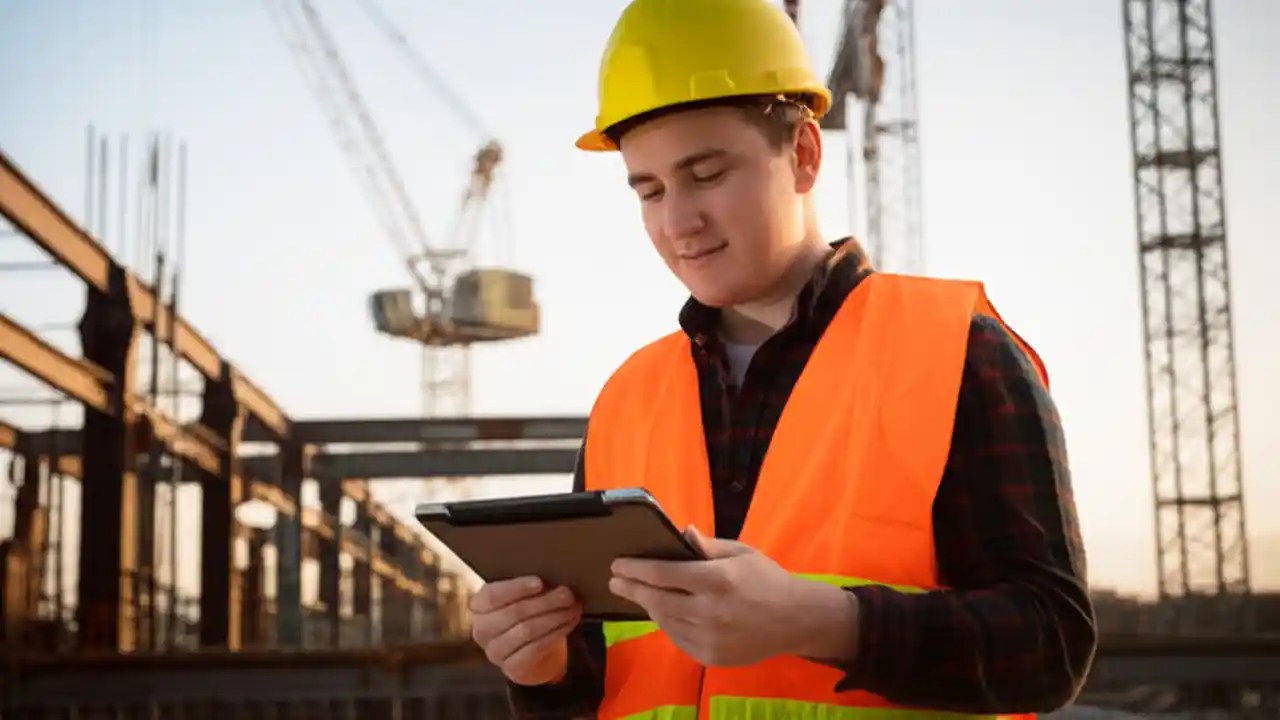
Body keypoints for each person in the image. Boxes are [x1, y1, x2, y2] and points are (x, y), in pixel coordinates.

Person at [468, 0, 1098, 717]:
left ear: (803, 154)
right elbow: (597, 683)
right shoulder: (628, 397)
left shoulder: (957, 352)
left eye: (706, 174)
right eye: (649, 190)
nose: (677, 222)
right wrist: (538, 665)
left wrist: (817, 620)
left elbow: (1051, 648)